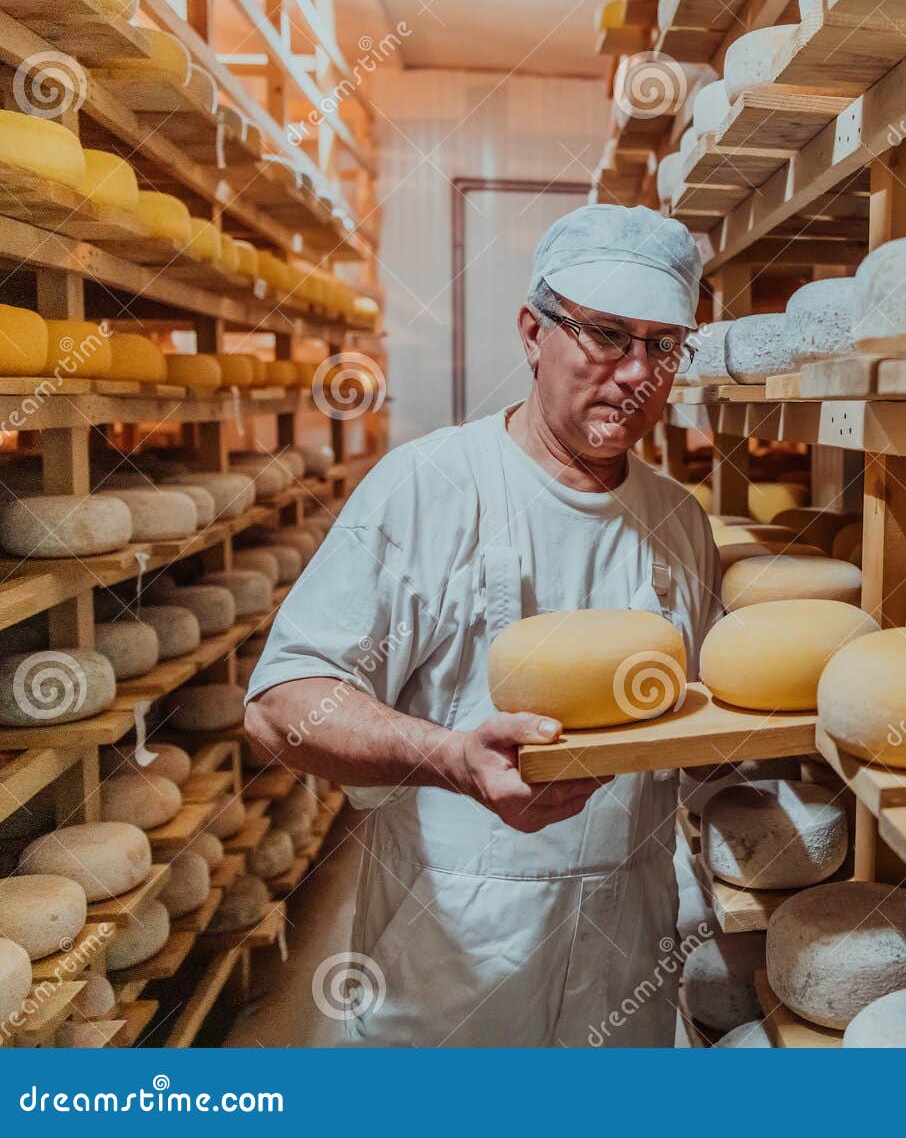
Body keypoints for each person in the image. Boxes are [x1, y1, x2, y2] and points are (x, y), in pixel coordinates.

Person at [244, 204, 720, 1046]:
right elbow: (280, 706)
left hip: (627, 961)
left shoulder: (679, 522)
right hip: (453, 966)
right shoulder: (427, 487)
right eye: (607, 334)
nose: (637, 372)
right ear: (533, 332)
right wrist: (451, 757)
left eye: (663, 345)